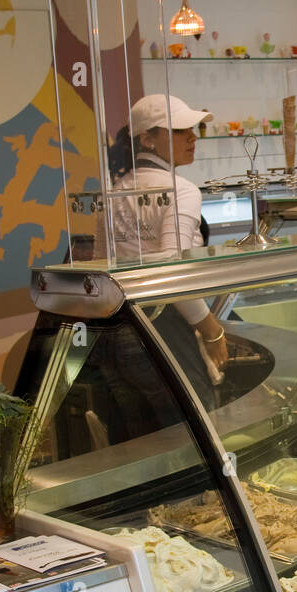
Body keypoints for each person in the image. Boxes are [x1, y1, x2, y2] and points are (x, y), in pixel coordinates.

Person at [101, 94, 229, 405]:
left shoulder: (113, 192)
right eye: (179, 131)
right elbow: (173, 271)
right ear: (147, 138)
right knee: (192, 437)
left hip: (119, 330)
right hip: (165, 328)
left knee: (144, 438)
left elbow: (100, 265)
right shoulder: (181, 190)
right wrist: (212, 332)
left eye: (193, 129)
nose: (192, 137)